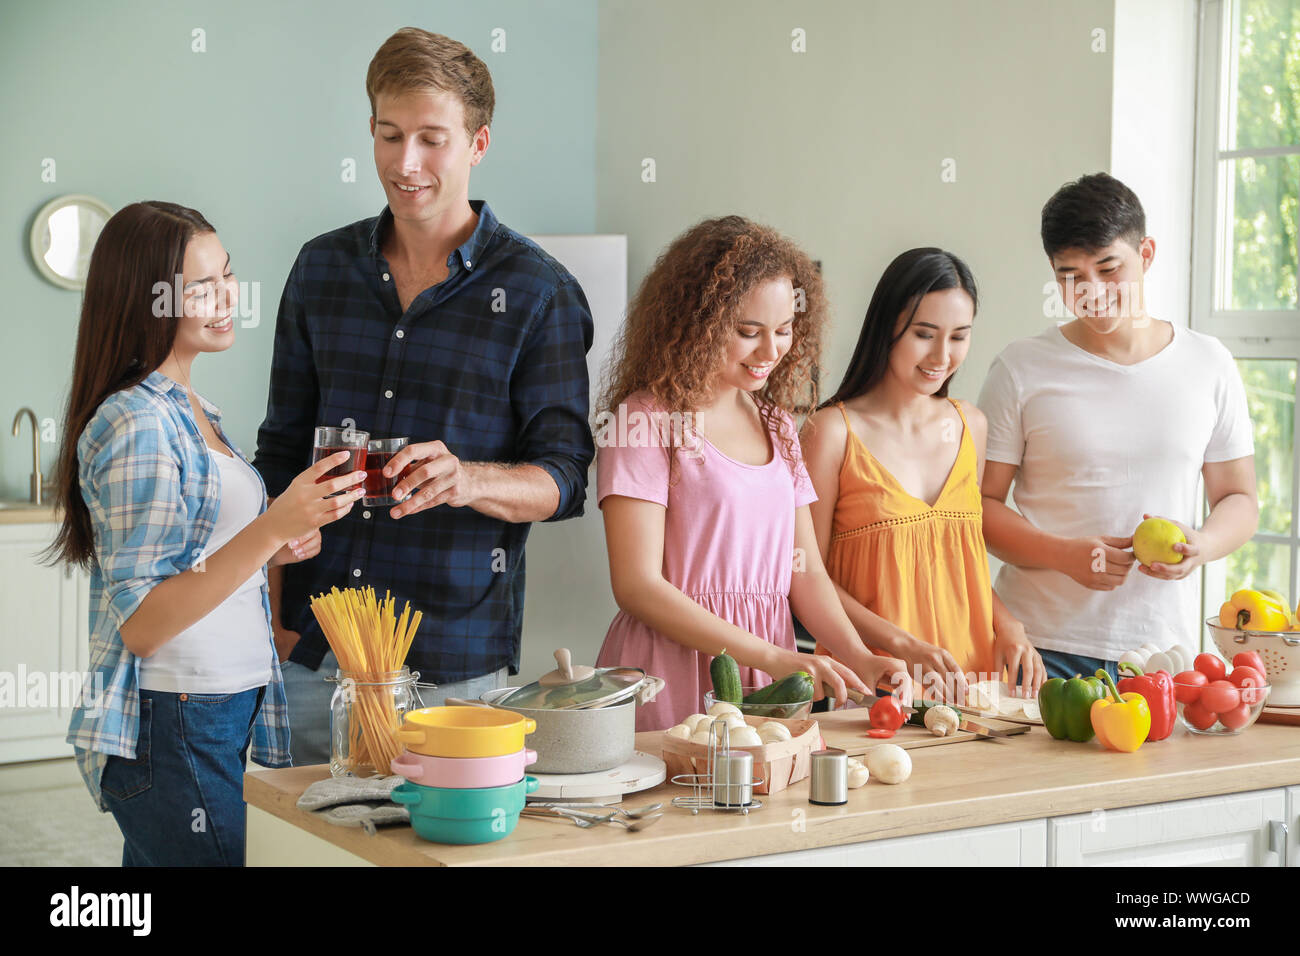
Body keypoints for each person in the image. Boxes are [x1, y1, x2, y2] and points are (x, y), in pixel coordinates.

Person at [252, 28, 595, 764]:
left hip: (454, 671)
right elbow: (280, 449)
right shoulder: (320, 270)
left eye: (431, 139)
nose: (405, 164)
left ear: (477, 144)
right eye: (389, 134)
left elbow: (565, 479)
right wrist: (281, 614)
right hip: (312, 655)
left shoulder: (540, 294)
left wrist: (468, 478)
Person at [47, 201, 363, 866]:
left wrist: (274, 546)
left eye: (228, 275)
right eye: (200, 287)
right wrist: (273, 523)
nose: (228, 298)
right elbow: (144, 621)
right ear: (147, 299)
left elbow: (193, 563)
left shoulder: (193, 410)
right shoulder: (137, 422)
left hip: (218, 708)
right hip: (177, 716)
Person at [594, 215, 910, 731]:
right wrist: (770, 657)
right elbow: (636, 585)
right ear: (695, 321)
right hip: (671, 670)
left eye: (784, 330)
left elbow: (803, 570)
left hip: (771, 676)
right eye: (748, 332)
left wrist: (859, 655)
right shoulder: (643, 420)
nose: (771, 352)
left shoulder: (779, 427)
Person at [978, 173, 1259, 681]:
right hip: (1040, 648)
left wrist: (1203, 547)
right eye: (1071, 276)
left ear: (1146, 253)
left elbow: (1239, 499)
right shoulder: (1020, 368)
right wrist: (1064, 555)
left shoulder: (1208, 363)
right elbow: (978, 507)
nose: (1092, 292)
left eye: (1109, 269)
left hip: (1163, 656)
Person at [800, 249, 1045, 703]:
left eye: (959, 336)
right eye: (923, 334)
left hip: (972, 685)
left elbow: (958, 562)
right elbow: (809, 578)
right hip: (875, 686)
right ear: (886, 327)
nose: (941, 355)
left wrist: (1009, 625)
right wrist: (903, 645)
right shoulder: (831, 432)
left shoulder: (970, 424)